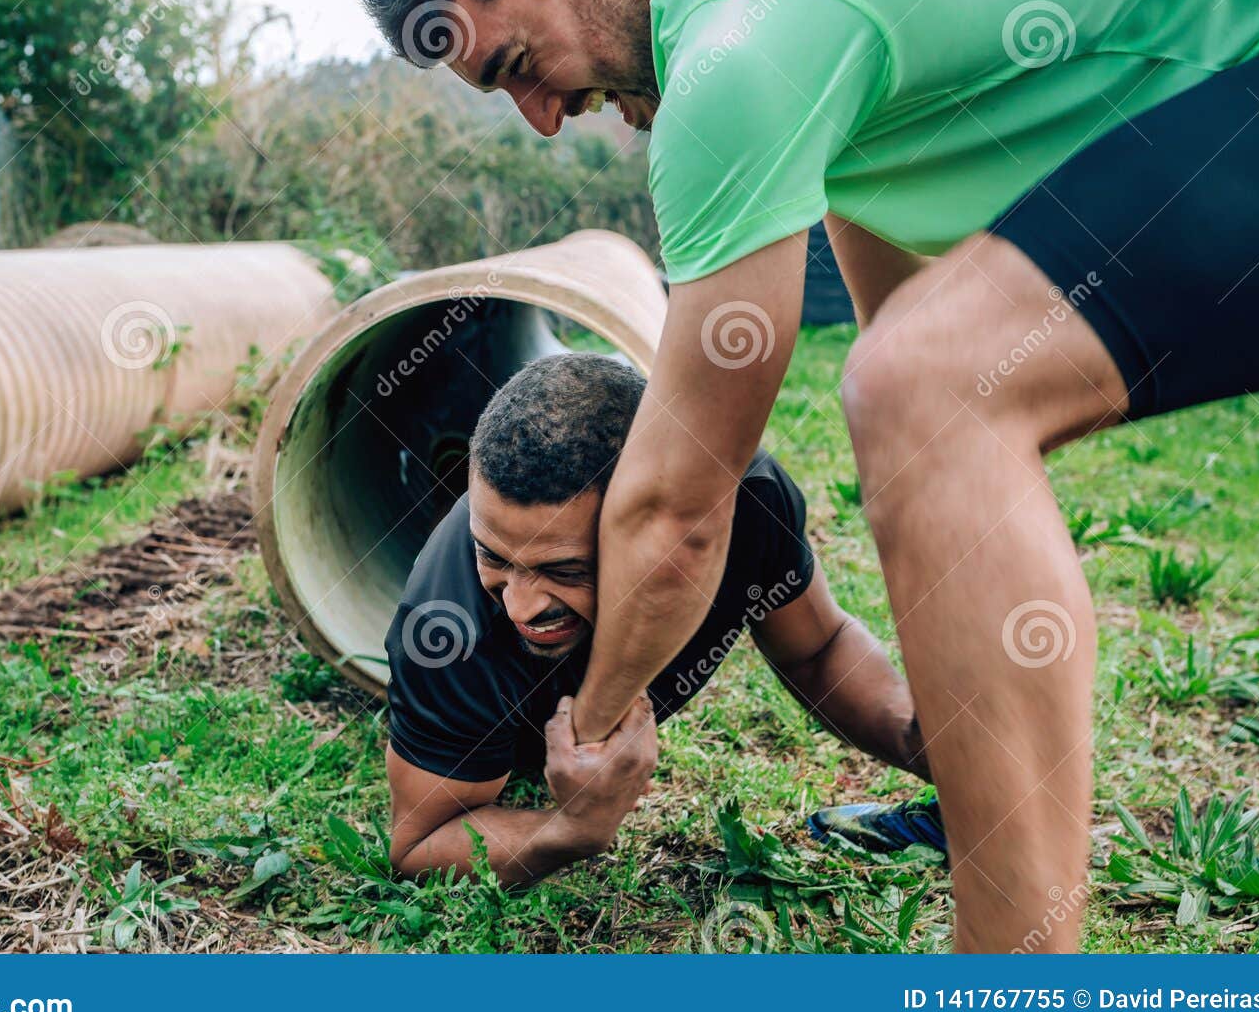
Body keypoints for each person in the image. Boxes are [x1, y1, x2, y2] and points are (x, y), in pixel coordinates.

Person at [359, 0, 1259, 949]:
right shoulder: (781, 47)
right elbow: (902, 335)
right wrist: (968, 743)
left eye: (517, 65)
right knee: (921, 396)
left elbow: (676, 512)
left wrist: (586, 742)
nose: (541, 117)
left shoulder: (734, 50)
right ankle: (974, 813)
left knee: (927, 388)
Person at [385, 354, 942, 885]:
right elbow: (419, 845)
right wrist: (571, 829)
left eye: (566, 569)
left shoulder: (744, 501)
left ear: (654, 532)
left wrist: (945, 753)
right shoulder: (446, 629)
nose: (521, 606)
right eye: (493, 556)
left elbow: (818, 650)